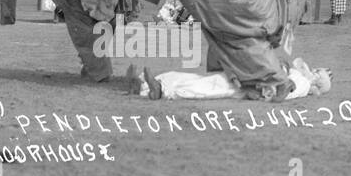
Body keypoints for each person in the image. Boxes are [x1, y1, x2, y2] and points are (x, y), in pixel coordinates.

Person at [129, 57, 330, 101]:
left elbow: (284, 90)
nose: (314, 68)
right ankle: (145, 84)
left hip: (252, 86)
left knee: (206, 86)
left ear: (316, 81)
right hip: (252, 78)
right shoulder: (301, 77)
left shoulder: (303, 82)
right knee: (204, 80)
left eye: (318, 71)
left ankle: (160, 90)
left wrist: (262, 88)